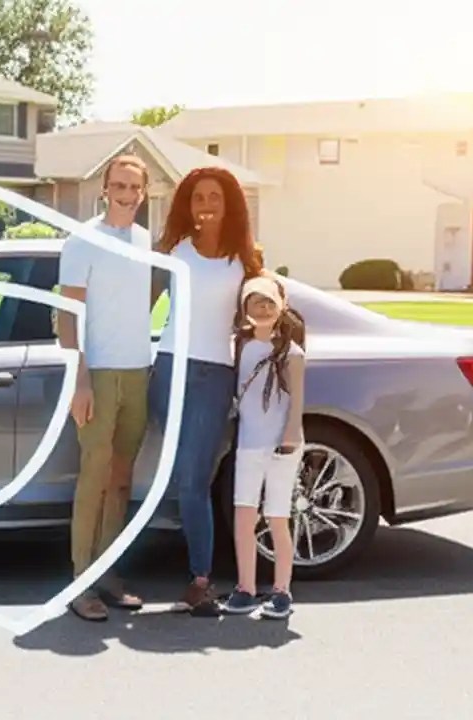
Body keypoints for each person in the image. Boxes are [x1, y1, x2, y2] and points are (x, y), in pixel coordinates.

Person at [148, 167, 262, 617]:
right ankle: (116, 569)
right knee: (173, 478)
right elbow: (141, 306)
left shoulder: (245, 259)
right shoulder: (171, 251)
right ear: (187, 205)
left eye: (215, 197)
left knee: (192, 481)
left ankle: (200, 581)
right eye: (198, 198)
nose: (207, 205)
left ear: (229, 203)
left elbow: (263, 314)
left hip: (216, 376)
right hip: (170, 370)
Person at [57, 154, 156, 622]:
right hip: (96, 374)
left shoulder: (143, 240)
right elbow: (68, 315)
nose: (127, 193)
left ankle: (108, 573)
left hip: (139, 371)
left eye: (135, 186)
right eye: (119, 184)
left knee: (120, 480)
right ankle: (81, 582)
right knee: (93, 480)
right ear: (105, 188)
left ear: (144, 192)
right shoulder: (82, 241)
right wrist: (80, 378)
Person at [223, 272, 306, 619]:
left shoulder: (290, 352)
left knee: (276, 516)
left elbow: (297, 400)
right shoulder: (238, 347)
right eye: (255, 302)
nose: (263, 307)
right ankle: (246, 587)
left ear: (281, 307)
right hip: (248, 443)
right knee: (244, 515)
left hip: (280, 444)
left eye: (269, 301)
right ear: (244, 309)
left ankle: (281, 589)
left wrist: (290, 434)